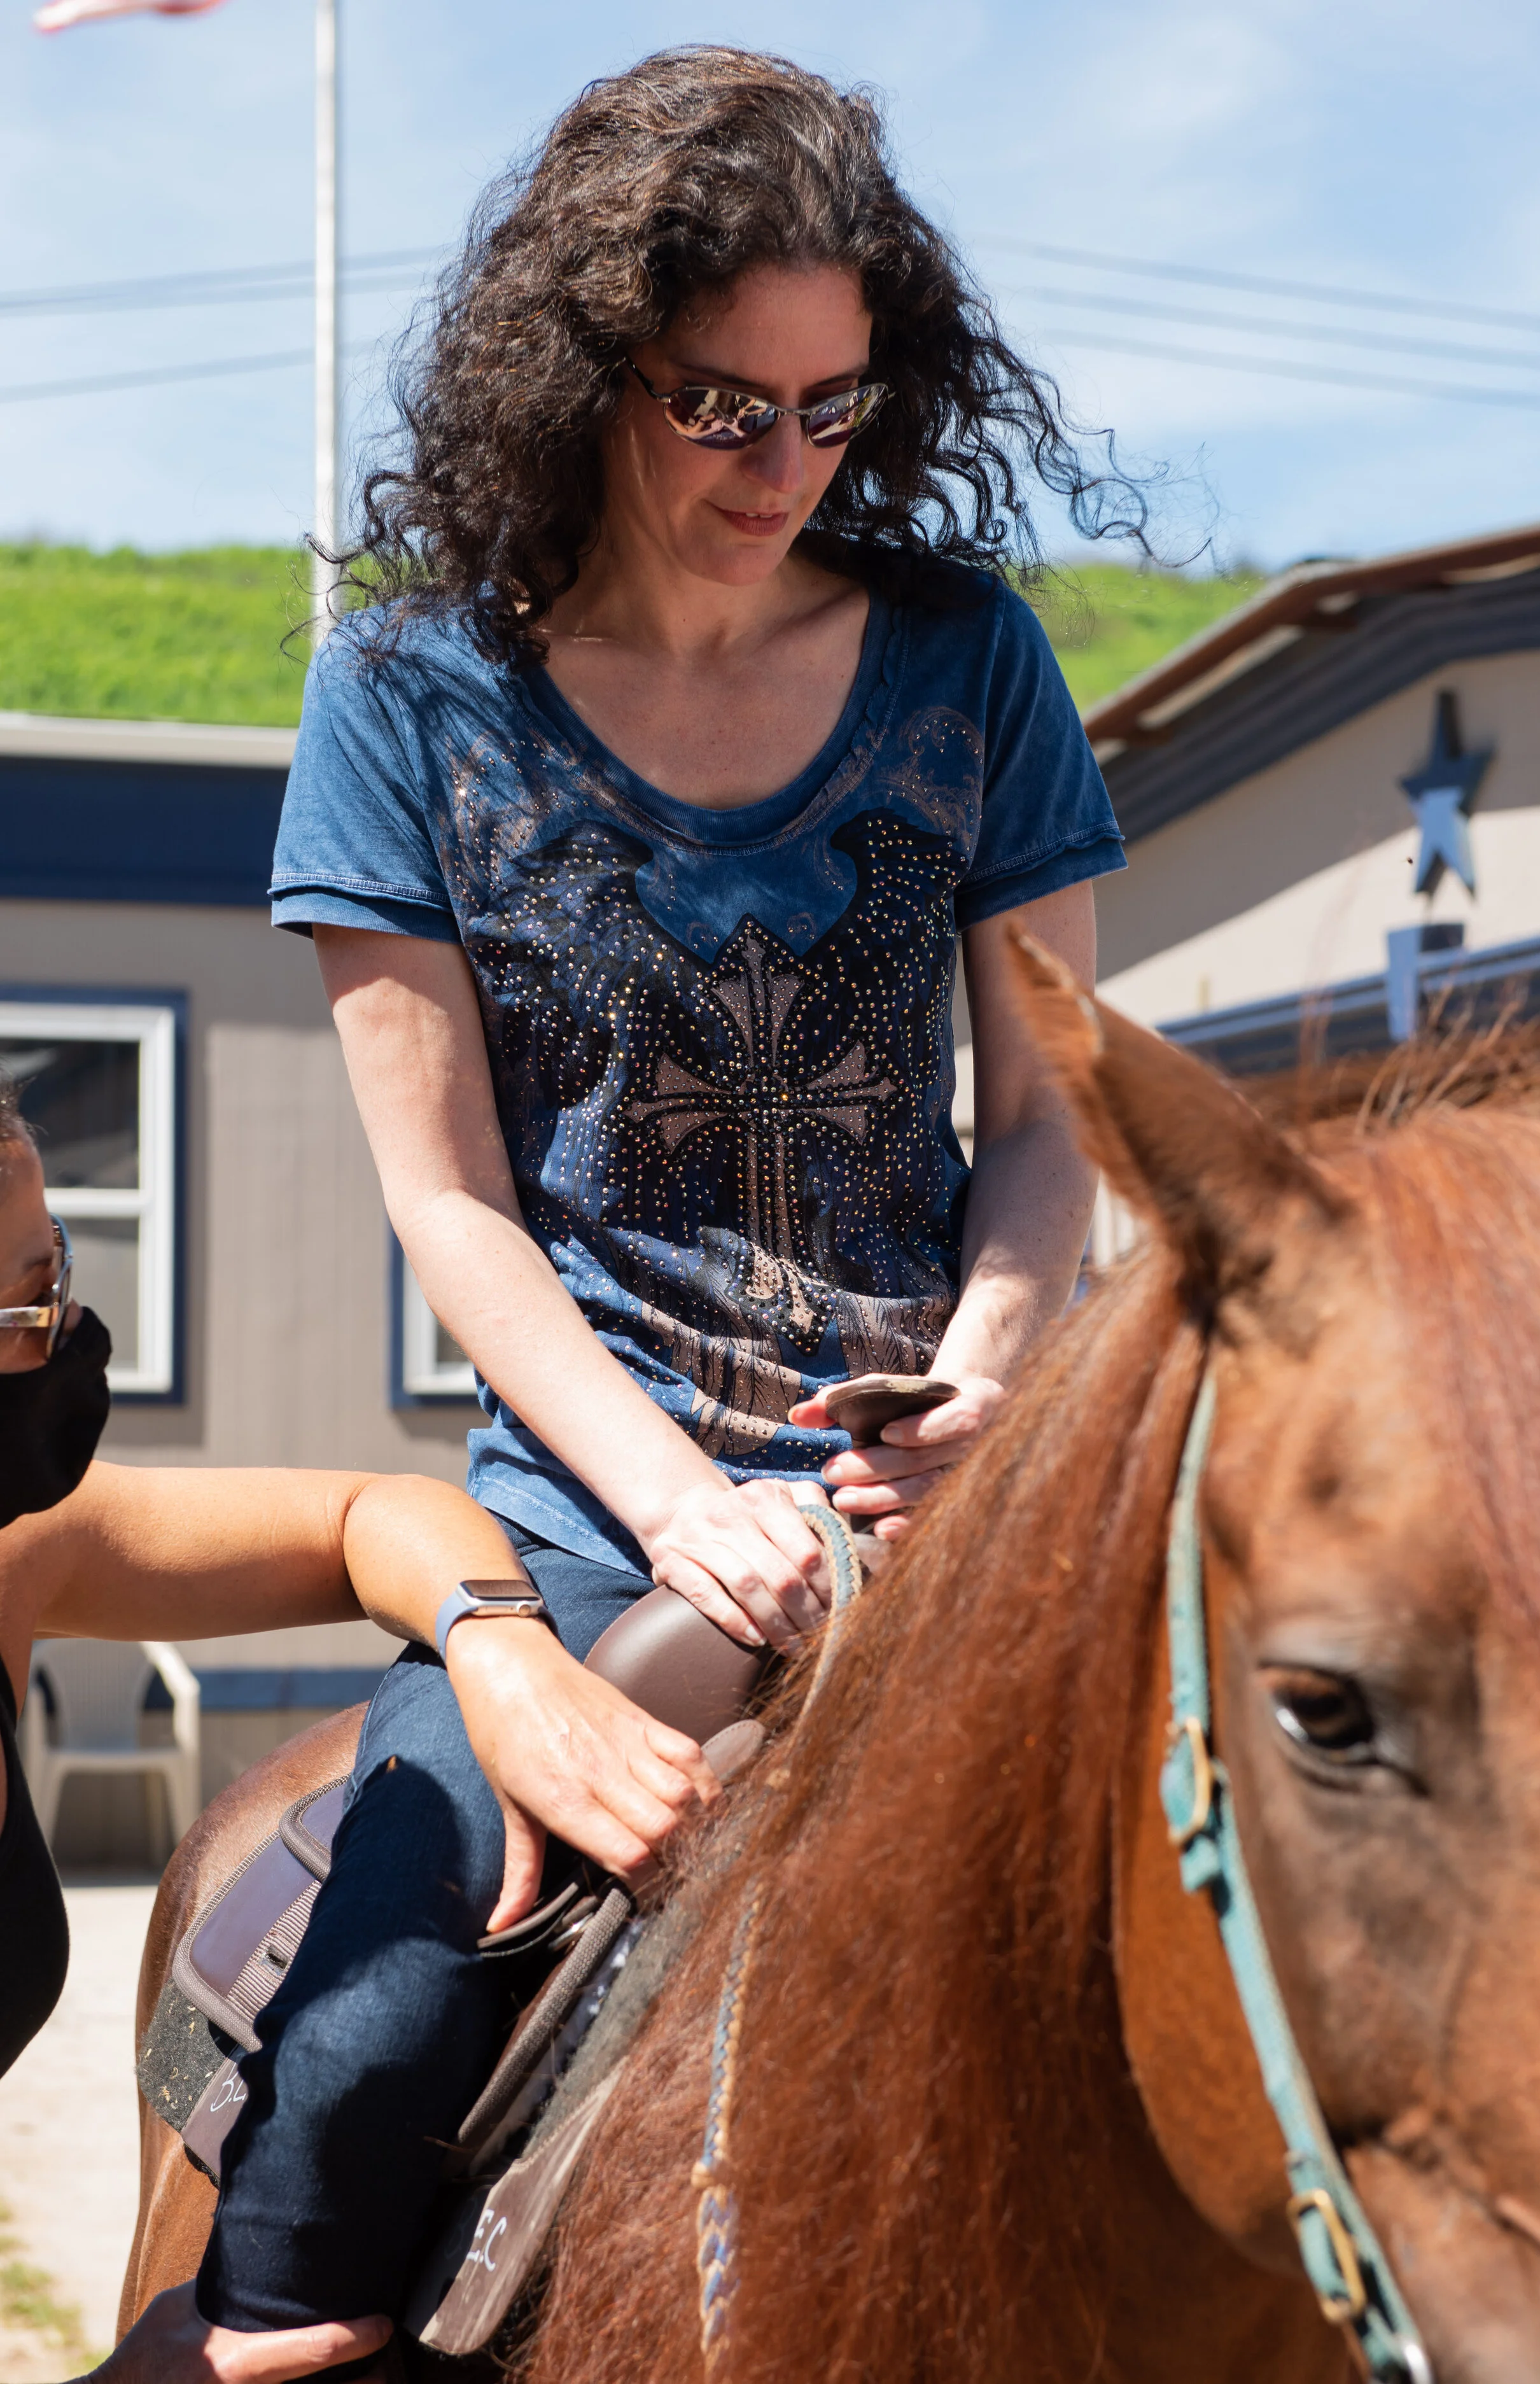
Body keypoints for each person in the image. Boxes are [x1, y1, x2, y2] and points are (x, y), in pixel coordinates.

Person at [198, 42, 1140, 2350]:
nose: (786, 466)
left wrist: (984, 1389)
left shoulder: (968, 663)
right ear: (588, 360)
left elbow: (1046, 1126)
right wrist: (679, 1498)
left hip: (947, 1485)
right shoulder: (412, 695)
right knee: (360, 2047)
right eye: (728, 404)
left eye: (835, 409)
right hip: (598, 1509)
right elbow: (453, 1203)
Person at [0, 1084, 715, 2381]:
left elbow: (369, 1516)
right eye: (21, 1312)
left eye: (59, 1283)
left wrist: (499, 1645)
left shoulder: (18, 1548)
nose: (60, 1343)